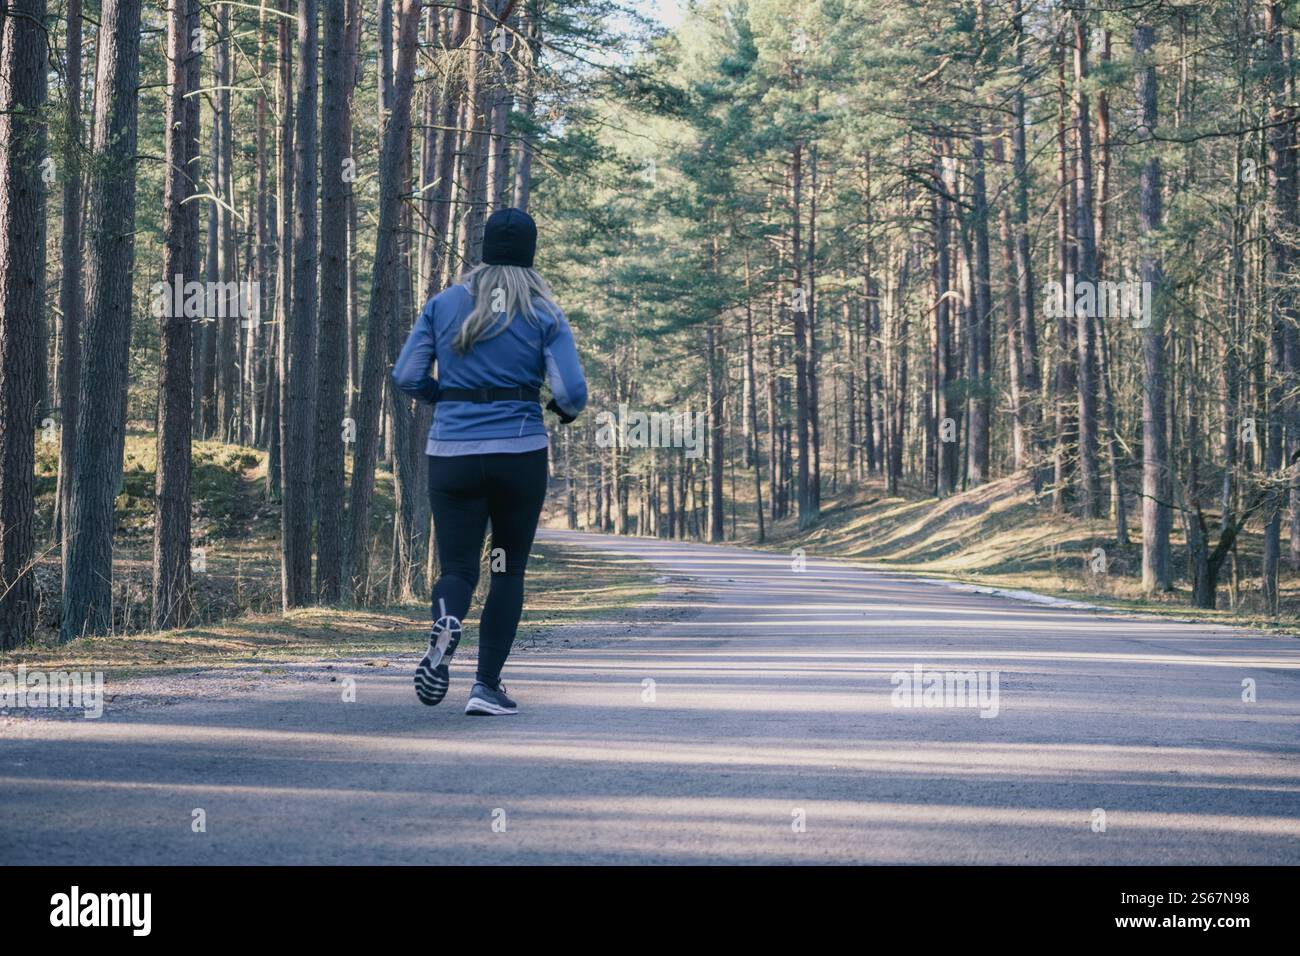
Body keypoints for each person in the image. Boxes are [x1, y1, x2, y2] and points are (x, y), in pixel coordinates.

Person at [391, 208, 587, 716]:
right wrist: (558, 409)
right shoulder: (544, 310)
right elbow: (572, 390)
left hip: (452, 456)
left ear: (483, 250)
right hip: (517, 458)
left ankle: (447, 620)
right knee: (505, 569)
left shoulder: (443, 303)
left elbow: (407, 374)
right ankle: (486, 686)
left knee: (457, 566)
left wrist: (445, 395)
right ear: (531, 253)